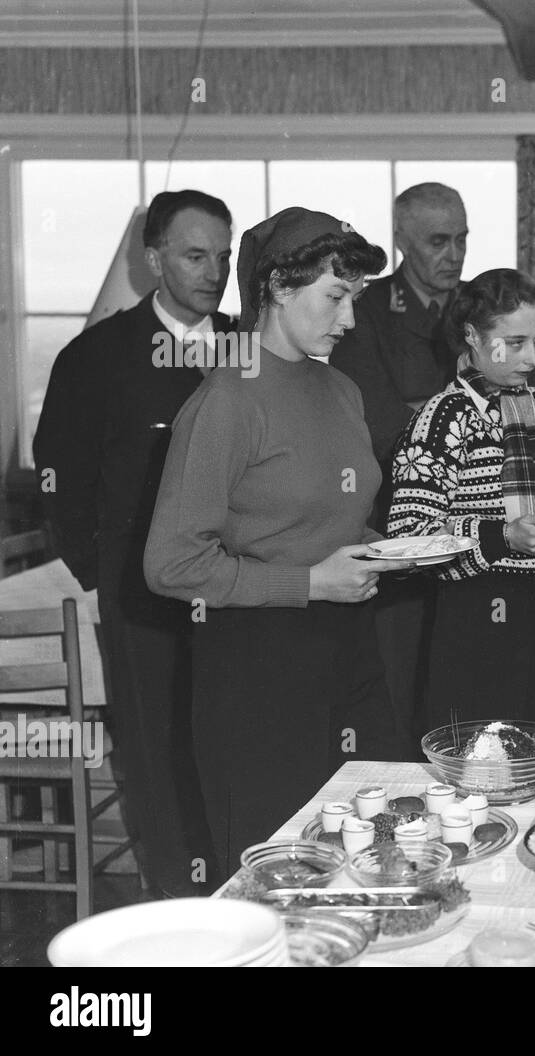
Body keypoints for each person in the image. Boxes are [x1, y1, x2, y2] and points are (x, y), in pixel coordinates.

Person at [144, 207, 410, 879]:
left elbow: (328, 521)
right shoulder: (227, 401)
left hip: (350, 656)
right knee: (282, 884)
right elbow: (172, 563)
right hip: (256, 671)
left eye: (354, 297)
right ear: (278, 288)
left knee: (376, 858)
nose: (350, 319)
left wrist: (389, 548)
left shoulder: (342, 389)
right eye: (336, 296)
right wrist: (311, 582)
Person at [32, 189, 234, 897]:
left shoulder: (245, 348)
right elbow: (58, 474)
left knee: (227, 745)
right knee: (154, 754)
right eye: (194, 254)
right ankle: (179, 906)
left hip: (236, 594)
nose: (214, 270)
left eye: (224, 255)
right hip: (140, 598)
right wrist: (102, 574)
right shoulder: (97, 355)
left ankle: (243, 896)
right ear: (154, 260)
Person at [387, 269, 535, 738]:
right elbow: (408, 537)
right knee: (479, 772)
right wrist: (502, 537)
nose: (532, 358)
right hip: (474, 628)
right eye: (515, 342)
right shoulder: (443, 416)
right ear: (472, 337)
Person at [330, 183, 469, 749]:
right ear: (403, 241)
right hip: (397, 536)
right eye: (439, 240)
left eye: (462, 239)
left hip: (471, 536)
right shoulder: (364, 313)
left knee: (462, 694)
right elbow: (388, 429)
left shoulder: (476, 309)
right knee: (401, 693)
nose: (454, 254)